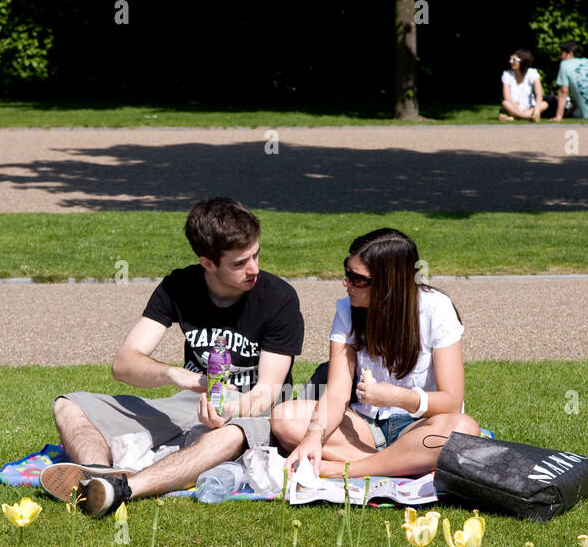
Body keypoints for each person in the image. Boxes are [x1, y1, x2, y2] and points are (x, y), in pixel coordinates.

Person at [41, 197, 305, 516]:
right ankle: (97, 474)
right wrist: (180, 376)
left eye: (256, 255)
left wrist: (232, 408)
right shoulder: (179, 286)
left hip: (252, 414)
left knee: (232, 434)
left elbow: (268, 392)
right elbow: (124, 364)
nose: (254, 269)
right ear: (207, 262)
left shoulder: (278, 299)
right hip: (186, 404)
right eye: (240, 263)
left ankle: (124, 489)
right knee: (69, 405)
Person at [272, 228, 479, 480]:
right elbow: (337, 394)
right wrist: (314, 436)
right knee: (285, 416)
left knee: (464, 429)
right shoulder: (348, 310)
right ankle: (401, 464)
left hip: (419, 425)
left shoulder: (436, 309)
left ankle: (342, 469)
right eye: (347, 272)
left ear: (389, 283)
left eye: (357, 278)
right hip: (364, 426)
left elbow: (451, 402)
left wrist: (398, 396)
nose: (346, 282)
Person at [499, 49, 544, 121]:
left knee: (544, 104)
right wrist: (516, 107)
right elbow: (507, 98)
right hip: (514, 106)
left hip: (530, 107)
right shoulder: (507, 74)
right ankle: (528, 117)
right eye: (510, 59)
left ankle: (515, 116)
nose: (510, 61)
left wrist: (536, 110)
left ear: (522, 61)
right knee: (505, 103)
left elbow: (539, 95)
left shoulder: (532, 73)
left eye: (514, 60)